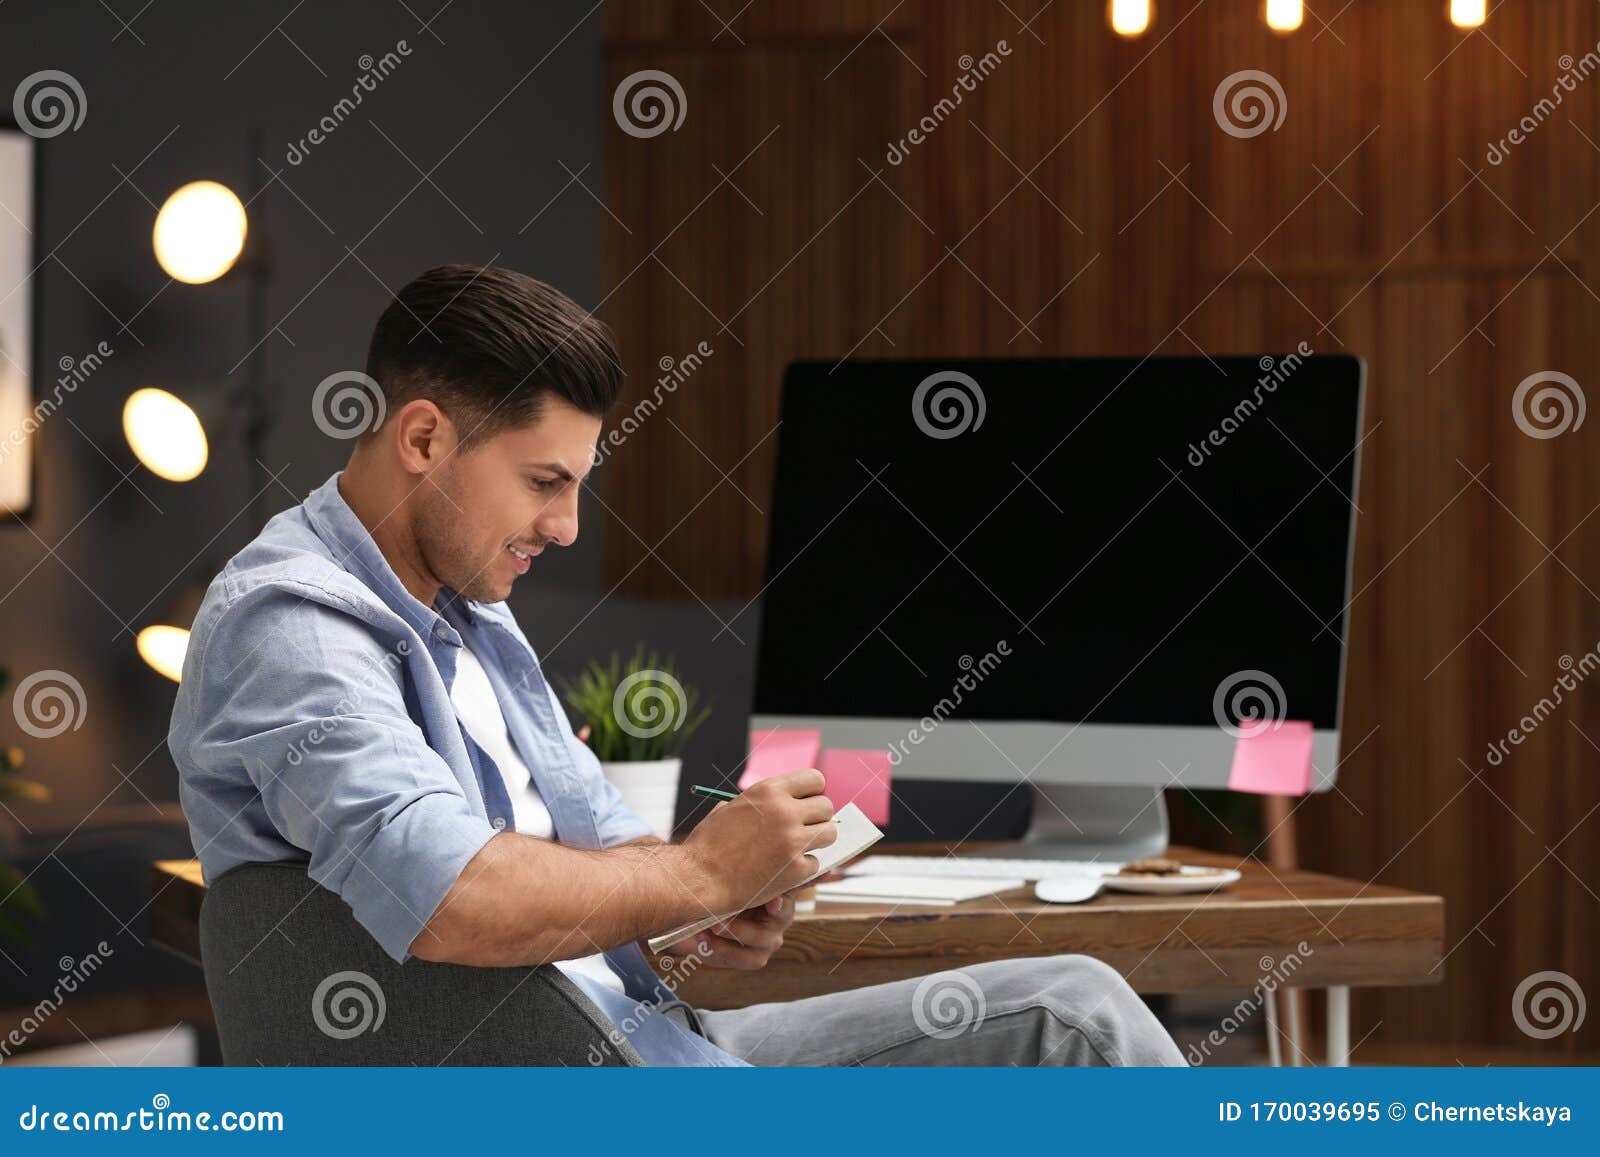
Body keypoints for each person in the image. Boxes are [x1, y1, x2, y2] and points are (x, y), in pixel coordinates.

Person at [168, 264, 1185, 1067]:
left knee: (1073, 1003)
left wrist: (698, 911)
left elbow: (611, 850)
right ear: (424, 437)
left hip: (655, 1038)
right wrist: (698, 870)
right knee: (1076, 1023)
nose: (566, 527)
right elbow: (446, 893)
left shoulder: (471, 611)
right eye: (543, 481)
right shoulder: (291, 625)